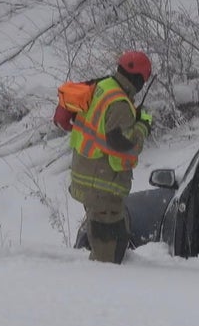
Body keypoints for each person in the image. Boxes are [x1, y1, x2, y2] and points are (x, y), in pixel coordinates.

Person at [57, 50, 154, 263]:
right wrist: (143, 125)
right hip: (102, 185)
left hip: (87, 177)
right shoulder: (120, 104)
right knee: (106, 253)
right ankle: (101, 290)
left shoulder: (102, 86)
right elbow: (124, 145)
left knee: (118, 236)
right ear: (137, 78)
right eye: (142, 81)